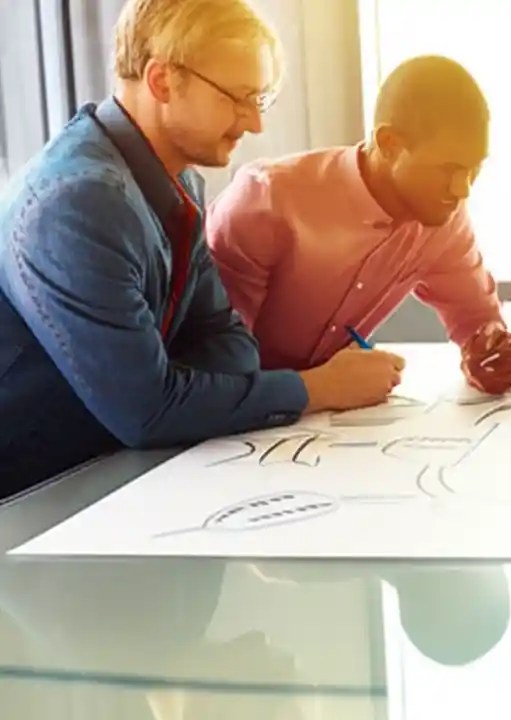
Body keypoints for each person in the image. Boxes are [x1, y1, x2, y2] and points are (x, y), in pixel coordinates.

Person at [0, 0, 403, 494]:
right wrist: (320, 388)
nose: (255, 123)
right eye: (239, 98)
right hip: (31, 502)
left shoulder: (175, 180)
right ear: (162, 80)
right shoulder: (81, 201)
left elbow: (229, 342)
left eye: (262, 98)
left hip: (109, 477)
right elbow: (147, 411)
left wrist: (180, 391)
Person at [207, 55, 511, 395]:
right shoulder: (266, 200)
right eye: (447, 169)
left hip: (318, 425)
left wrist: (490, 354)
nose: (462, 189)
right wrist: (325, 386)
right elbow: (216, 369)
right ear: (389, 144)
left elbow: (478, 320)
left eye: (473, 168)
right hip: (219, 425)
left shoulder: (444, 217)